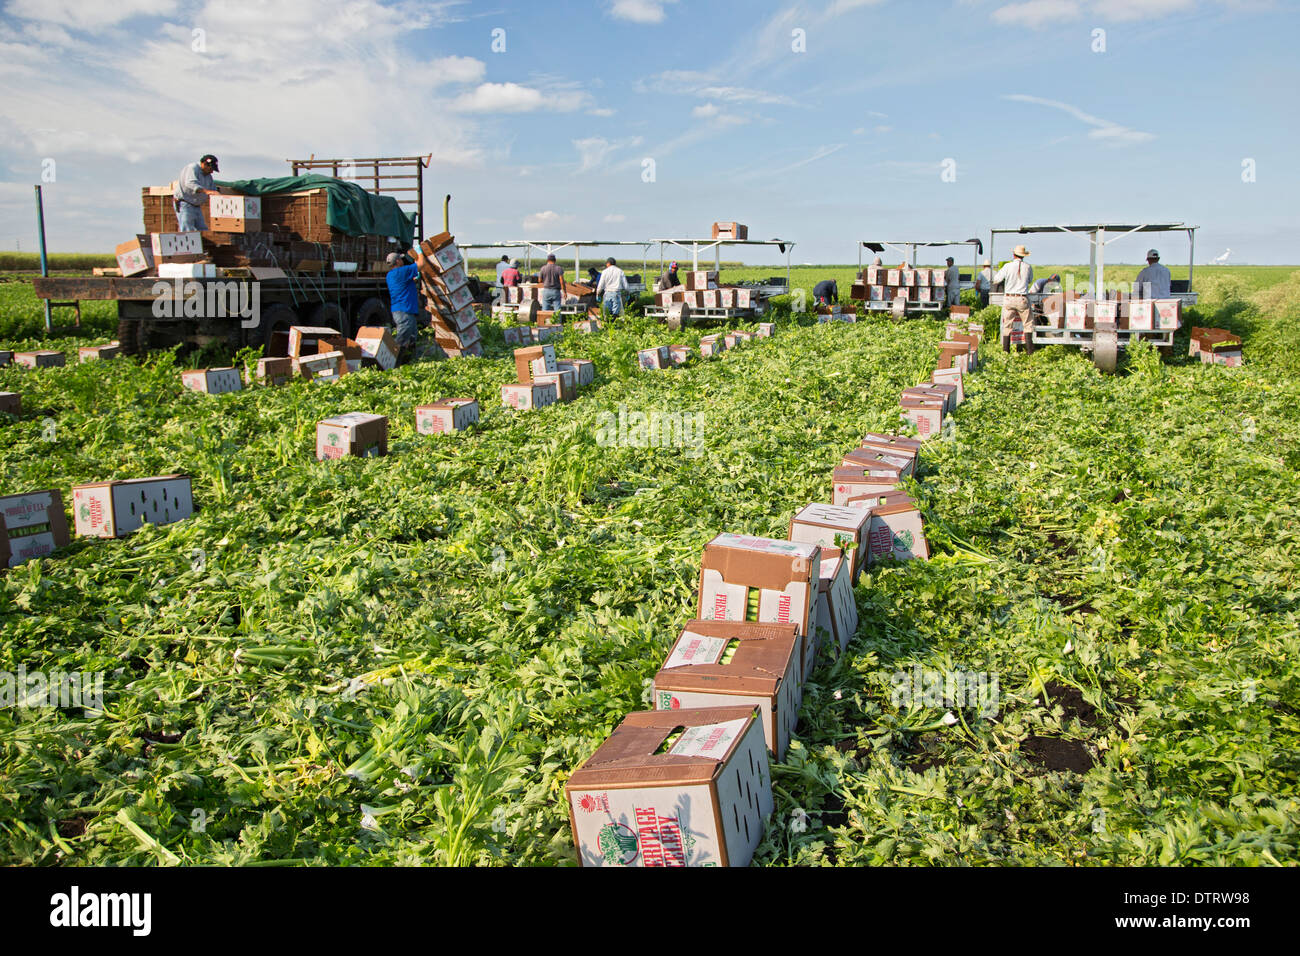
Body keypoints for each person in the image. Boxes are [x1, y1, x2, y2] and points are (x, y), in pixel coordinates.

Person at [993, 244, 1034, 353]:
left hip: (1009, 299)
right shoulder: (1028, 267)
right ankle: (1030, 352)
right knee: (1027, 325)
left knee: (1007, 326)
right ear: (1023, 256)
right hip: (1021, 299)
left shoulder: (1007, 266)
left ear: (1013, 255)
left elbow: (996, 279)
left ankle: (1006, 351)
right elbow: (1029, 280)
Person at [386, 250, 425, 357]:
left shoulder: (391, 275)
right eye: (401, 259)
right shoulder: (402, 271)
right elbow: (421, 264)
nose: (403, 261)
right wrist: (420, 252)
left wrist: (415, 280)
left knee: (412, 338)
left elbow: (405, 284)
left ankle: (408, 361)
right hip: (404, 312)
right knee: (401, 340)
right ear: (398, 261)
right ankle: (392, 363)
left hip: (403, 311)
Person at [173, 154, 220, 232]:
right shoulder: (192, 168)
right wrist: (207, 191)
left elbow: (213, 189)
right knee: (187, 230)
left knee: (203, 230)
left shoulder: (208, 176)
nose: (212, 172)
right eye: (211, 168)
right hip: (185, 204)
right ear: (204, 164)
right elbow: (190, 184)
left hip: (196, 206)